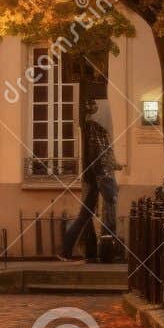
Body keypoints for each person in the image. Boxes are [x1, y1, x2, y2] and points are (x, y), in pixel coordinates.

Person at [59, 97, 121, 261]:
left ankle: (65, 250)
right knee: (111, 209)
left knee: (84, 216)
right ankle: (108, 251)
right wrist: (107, 170)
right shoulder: (96, 128)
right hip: (101, 175)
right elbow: (100, 154)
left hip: (93, 177)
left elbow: (96, 153)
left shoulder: (87, 127)